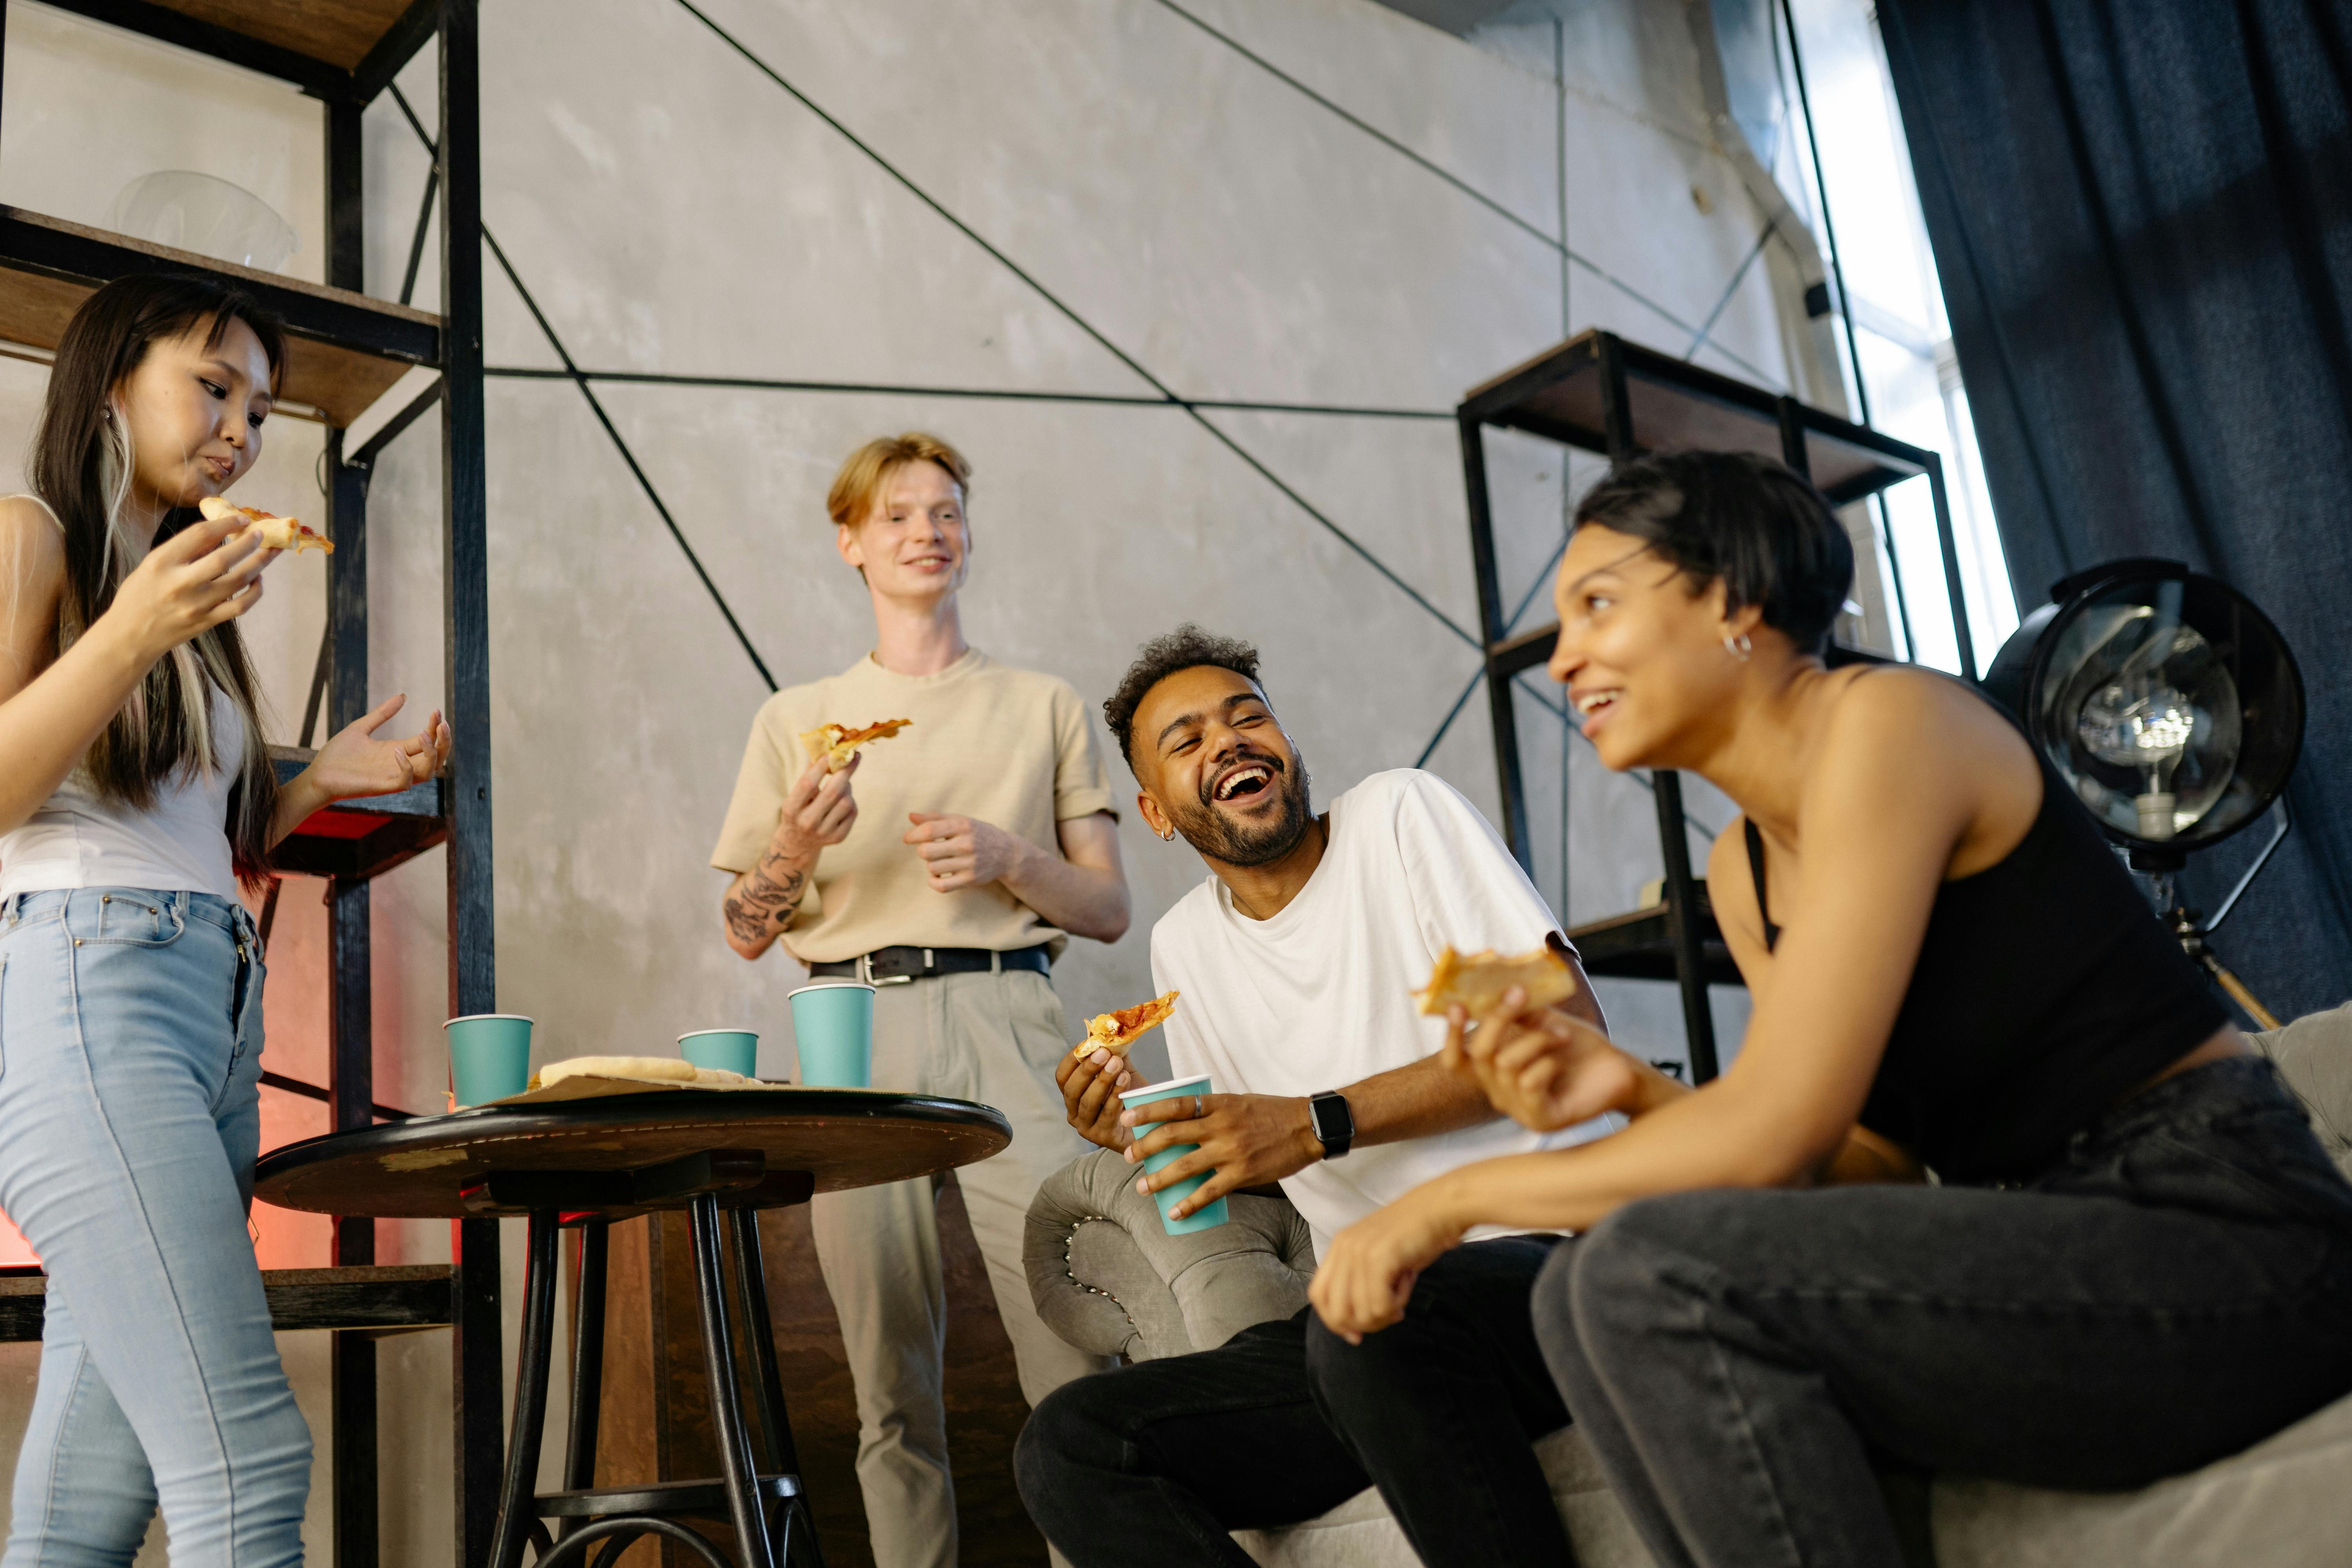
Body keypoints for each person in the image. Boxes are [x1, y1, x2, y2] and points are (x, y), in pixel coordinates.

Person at [1309, 450, 2352, 1568]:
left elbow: (1775, 1128)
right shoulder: (1740, 874)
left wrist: (1448, 1202)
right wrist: (1633, 1090)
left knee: (1642, 1270)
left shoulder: (1897, 723)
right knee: (1576, 1293)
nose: (1564, 657)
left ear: (1732, 598)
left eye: (1599, 605)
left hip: (2230, 1235)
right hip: (2042, 1238)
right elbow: (1864, 1163)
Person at [0, 274, 452, 1568]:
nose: (242, 431)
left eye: (260, 408)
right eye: (213, 386)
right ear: (108, 382)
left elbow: (199, 838)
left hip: (208, 1018)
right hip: (91, 1001)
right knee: (251, 1464)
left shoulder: (179, 604)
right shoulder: (33, 535)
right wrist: (136, 625)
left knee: (91, 1496)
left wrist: (314, 784)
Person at [1014, 625, 1620, 1568]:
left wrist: (1314, 1120)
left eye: (1247, 716)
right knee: (1072, 1443)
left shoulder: (1398, 820)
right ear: (1157, 810)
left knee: (1377, 1332)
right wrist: (1141, 1129)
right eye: (1186, 741)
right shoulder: (1187, 948)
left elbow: (1562, 1026)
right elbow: (1259, 1161)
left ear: (1288, 750)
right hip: (1364, 1323)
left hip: (1555, 1262)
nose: (1227, 741)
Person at [709, 432, 1131, 1568]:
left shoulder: (1043, 705)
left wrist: (1009, 854)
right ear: (851, 542)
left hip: (1013, 1015)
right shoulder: (795, 719)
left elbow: (1104, 910)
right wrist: (792, 844)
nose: (926, 530)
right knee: (888, 1384)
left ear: (969, 531)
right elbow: (748, 929)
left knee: (1080, 1352)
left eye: (945, 510)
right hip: (853, 1031)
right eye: (896, 514)